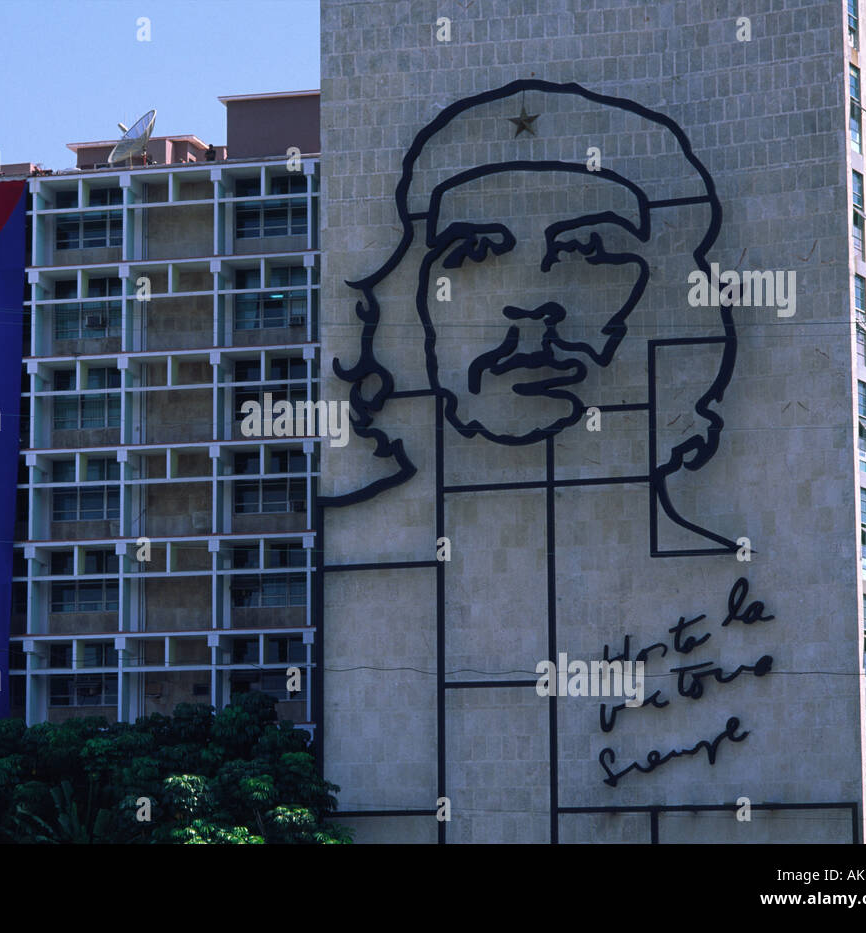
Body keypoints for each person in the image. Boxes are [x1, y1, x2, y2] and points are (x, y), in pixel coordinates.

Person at [320, 80, 770, 844]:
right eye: (475, 251)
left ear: (678, 291)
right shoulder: (357, 559)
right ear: (409, 303)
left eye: (590, 249)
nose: (533, 301)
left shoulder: (714, 571)